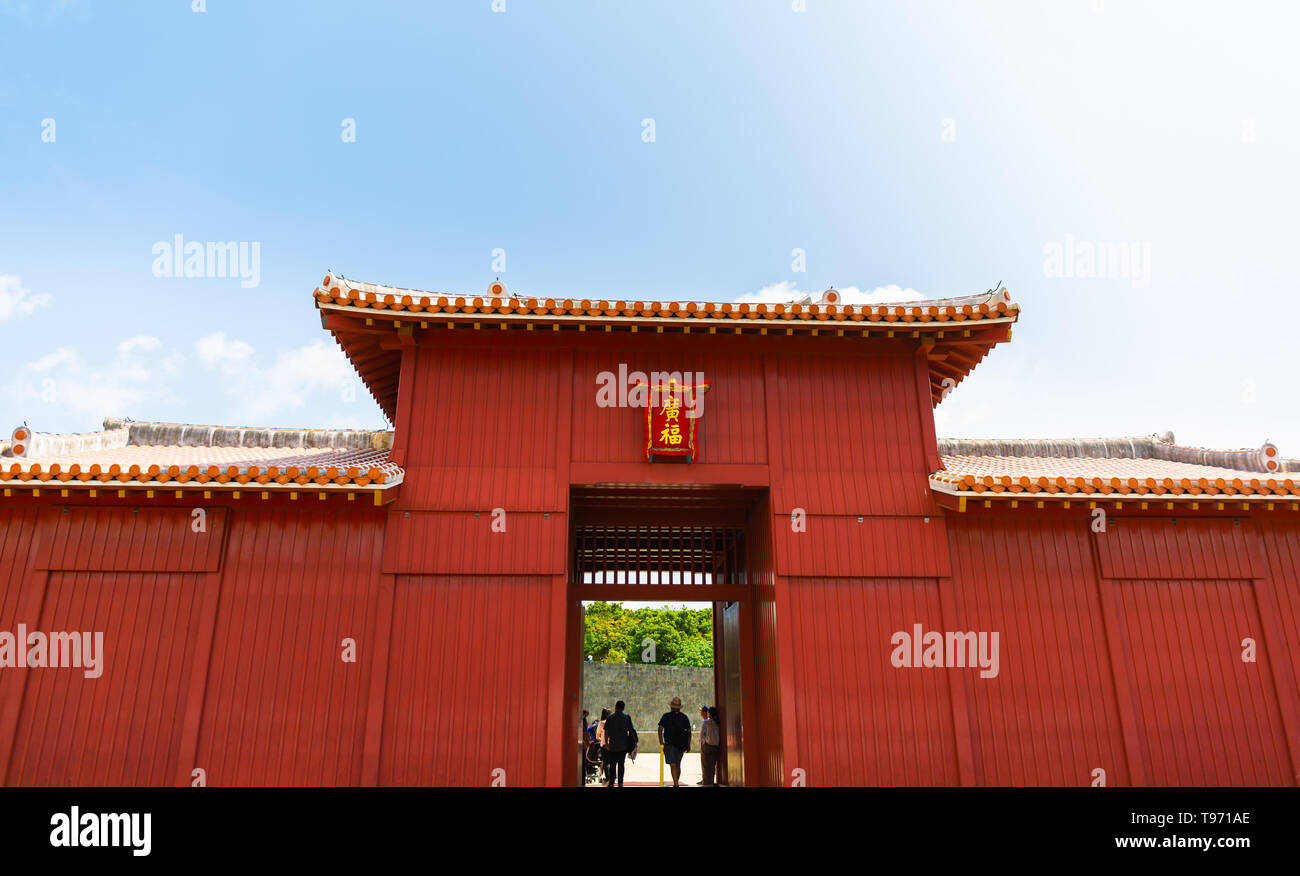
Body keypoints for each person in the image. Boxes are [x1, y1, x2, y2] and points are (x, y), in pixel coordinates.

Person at [657, 696, 692, 787]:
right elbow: (689, 732)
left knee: (673, 764)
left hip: (669, 744)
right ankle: (676, 783)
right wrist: (688, 745)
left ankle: (676, 784)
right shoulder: (684, 717)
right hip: (681, 745)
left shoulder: (665, 716)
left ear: (671, 707)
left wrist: (661, 742)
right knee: (677, 764)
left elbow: (660, 729)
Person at [602, 700, 636, 788]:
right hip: (623, 746)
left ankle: (611, 783)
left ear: (615, 707)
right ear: (623, 708)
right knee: (621, 765)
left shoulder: (610, 718)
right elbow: (631, 731)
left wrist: (606, 744)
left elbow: (606, 732)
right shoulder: (627, 718)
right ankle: (620, 783)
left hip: (613, 745)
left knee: (612, 765)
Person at [699, 705, 720, 786]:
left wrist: (702, 742)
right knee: (712, 765)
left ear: (709, 714)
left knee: (705, 765)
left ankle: (705, 783)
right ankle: (711, 782)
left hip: (707, 745)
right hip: (715, 746)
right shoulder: (717, 722)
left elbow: (701, 734)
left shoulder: (706, 722)